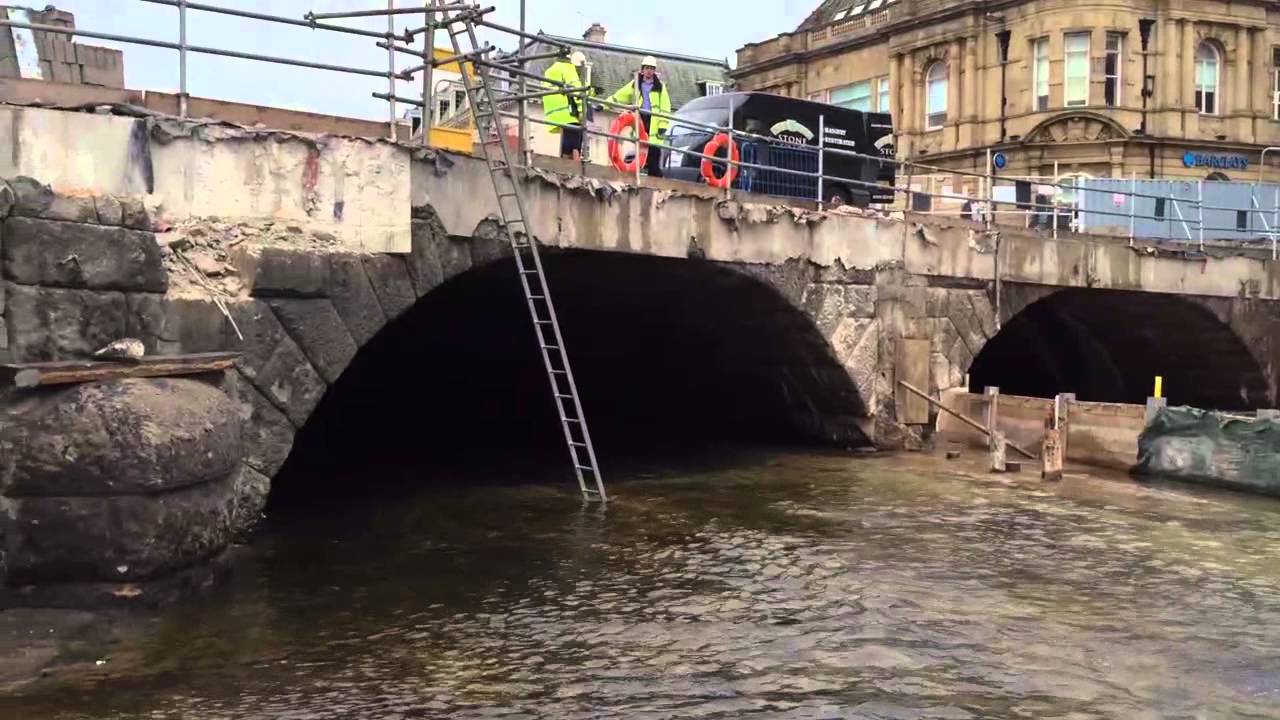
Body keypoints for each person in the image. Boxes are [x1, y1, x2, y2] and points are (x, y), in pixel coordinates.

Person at [606, 56, 672, 177]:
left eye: (651, 68)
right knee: (640, 144)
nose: (649, 71)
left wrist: (663, 124)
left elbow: (665, 106)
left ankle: (654, 174)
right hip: (640, 117)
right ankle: (638, 170)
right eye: (647, 68)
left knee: (654, 148)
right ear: (642, 69)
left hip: (654, 120)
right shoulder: (635, 84)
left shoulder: (660, 86)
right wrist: (604, 104)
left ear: (654, 70)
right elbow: (620, 95)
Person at [542, 51, 589, 160]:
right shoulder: (568, 68)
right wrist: (582, 110)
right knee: (575, 145)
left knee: (566, 145)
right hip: (567, 113)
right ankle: (575, 170)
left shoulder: (550, 70)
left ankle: (565, 165)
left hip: (553, 114)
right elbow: (577, 90)